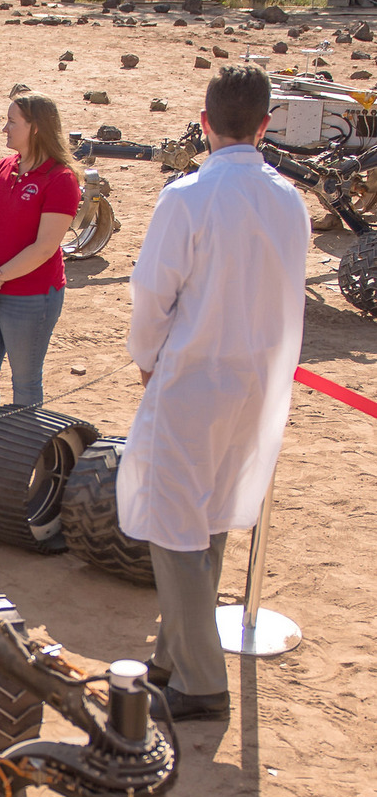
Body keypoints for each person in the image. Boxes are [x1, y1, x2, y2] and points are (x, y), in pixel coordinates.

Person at [118, 65, 310, 722]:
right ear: (263, 125)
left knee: (173, 523)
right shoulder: (289, 201)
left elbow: (151, 293)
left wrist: (145, 361)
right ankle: (173, 655)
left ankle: (199, 681)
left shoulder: (187, 196)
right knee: (213, 513)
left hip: (194, 378)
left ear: (203, 124)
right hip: (258, 382)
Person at [0, 92, 81, 422]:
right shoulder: (1, 168)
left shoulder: (61, 180)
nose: (5, 128)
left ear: (36, 128)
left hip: (31, 298)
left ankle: (21, 460)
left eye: (13, 122)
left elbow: (44, 248)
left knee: (25, 384)